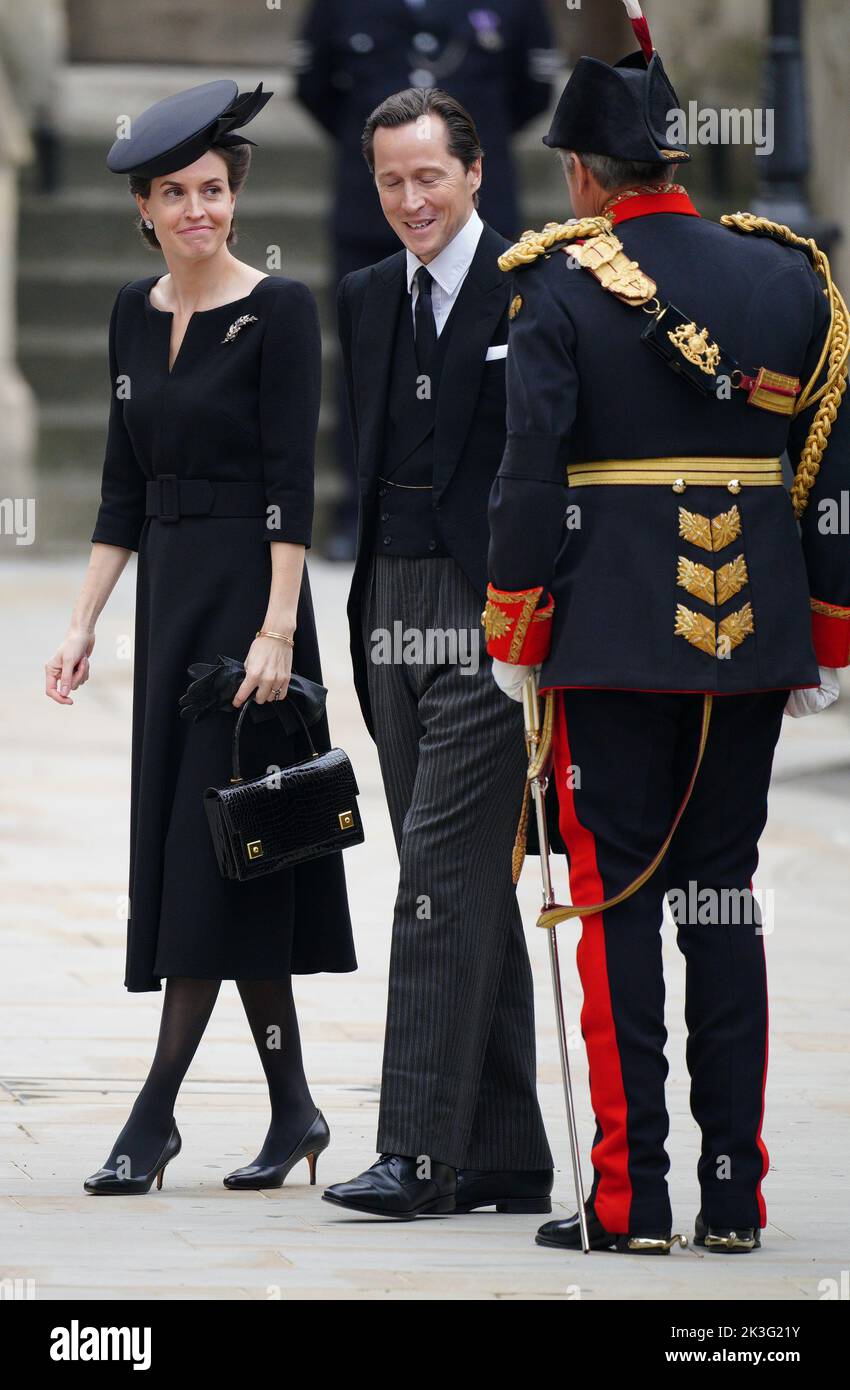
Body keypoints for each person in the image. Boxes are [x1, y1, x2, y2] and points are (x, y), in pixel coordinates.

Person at [483, 23, 850, 1254]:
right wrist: (828, 631)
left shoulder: (555, 279)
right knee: (722, 899)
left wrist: (513, 621)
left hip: (607, 633)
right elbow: (828, 465)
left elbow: (528, 480)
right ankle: (735, 1199)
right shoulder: (789, 275)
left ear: (585, 174)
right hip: (752, 639)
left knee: (611, 904)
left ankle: (629, 1197)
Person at [44, 78, 356, 1196]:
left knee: (208, 859)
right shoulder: (132, 312)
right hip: (170, 606)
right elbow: (122, 484)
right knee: (233, 859)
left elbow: (292, 486)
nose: (197, 211)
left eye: (214, 190)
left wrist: (278, 633)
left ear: (236, 197)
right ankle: (295, 1111)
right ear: (143, 207)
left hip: (249, 612)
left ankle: (152, 1116)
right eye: (174, 193)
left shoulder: (281, 310)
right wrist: (82, 621)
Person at [322, 87, 560, 1223]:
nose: (409, 200)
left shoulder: (539, 281)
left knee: (433, 875)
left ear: (473, 172)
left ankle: (415, 1153)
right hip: (387, 609)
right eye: (388, 182)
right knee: (464, 877)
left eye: (428, 176)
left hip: (489, 616)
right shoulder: (366, 296)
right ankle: (507, 1152)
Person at [293, 0, 557, 560]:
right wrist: (399, 167)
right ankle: (360, 511)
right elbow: (314, 84)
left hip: (476, 213)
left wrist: (447, 164)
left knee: (489, 361)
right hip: (372, 221)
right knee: (366, 364)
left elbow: (532, 90)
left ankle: (481, 505)